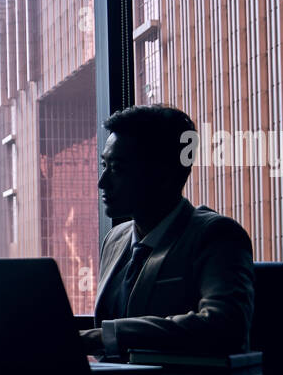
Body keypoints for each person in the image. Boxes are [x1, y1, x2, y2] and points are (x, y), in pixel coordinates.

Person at [82, 104, 255, 358]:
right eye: (104, 165)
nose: (102, 182)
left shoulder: (216, 236)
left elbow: (225, 326)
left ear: (163, 175)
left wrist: (109, 335)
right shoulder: (115, 240)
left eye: (117, 168)